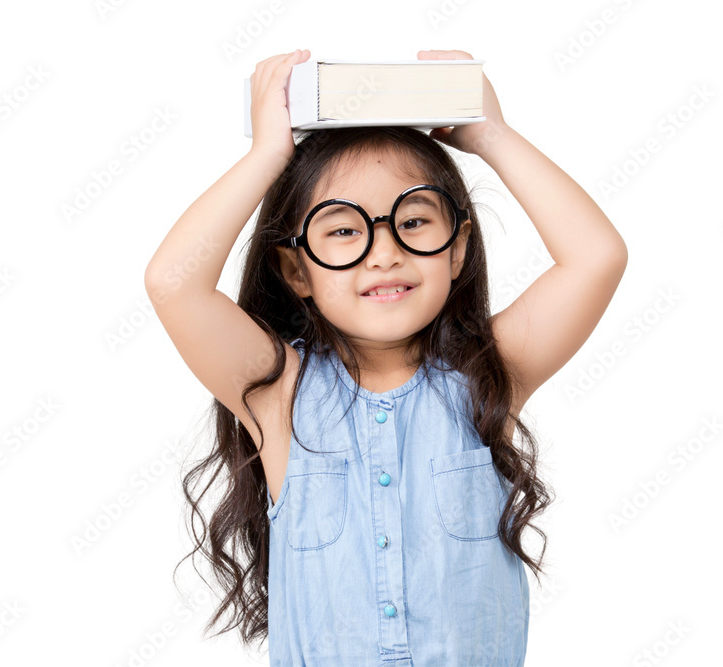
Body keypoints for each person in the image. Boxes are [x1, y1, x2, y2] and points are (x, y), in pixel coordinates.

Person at [144, 47, 628, 666]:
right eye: (343, 230)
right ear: (296, 270)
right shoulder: (277, 395)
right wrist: (267, 155)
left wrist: (493, 136)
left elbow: (596, 257)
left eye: (414, 221)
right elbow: (173, 283)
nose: (383, 253)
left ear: (458, 248)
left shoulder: (489, 376)